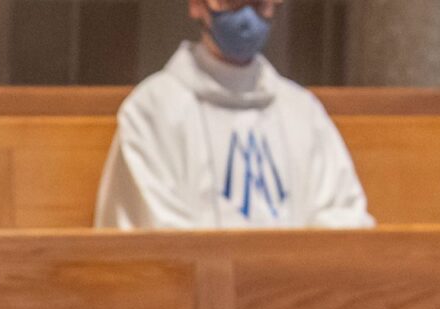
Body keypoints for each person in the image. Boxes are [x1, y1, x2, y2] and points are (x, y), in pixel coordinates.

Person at [96, 0, 371, 229]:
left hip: (298, 280)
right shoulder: (153, 110)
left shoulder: (301, 111)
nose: (247, 15)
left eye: (259, 3)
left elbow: (343, 214)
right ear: (196, 5)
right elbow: (156, 231)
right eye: (233, 1)